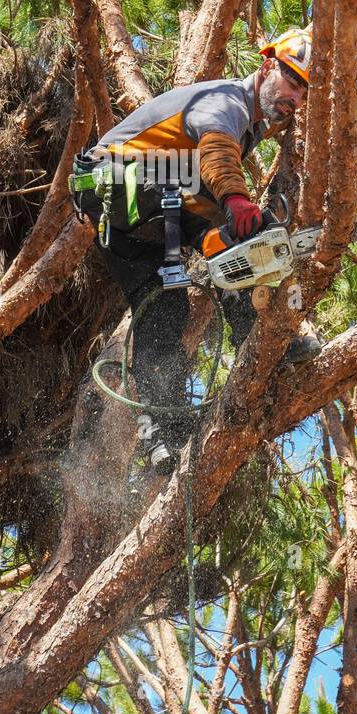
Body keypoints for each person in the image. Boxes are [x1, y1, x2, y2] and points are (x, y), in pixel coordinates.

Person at [70, 26, 321, 475]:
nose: (294, 101)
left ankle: (160, 432)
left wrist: (230, 229)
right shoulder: (227, 102)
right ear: (267, 67)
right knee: (234, 216)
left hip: (130, 224)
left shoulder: (251, 125)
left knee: (166, 312)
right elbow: (216, 152)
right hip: (118, 178)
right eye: (292, 84)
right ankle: (255, 326)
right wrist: (237, 201)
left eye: (302, 94)